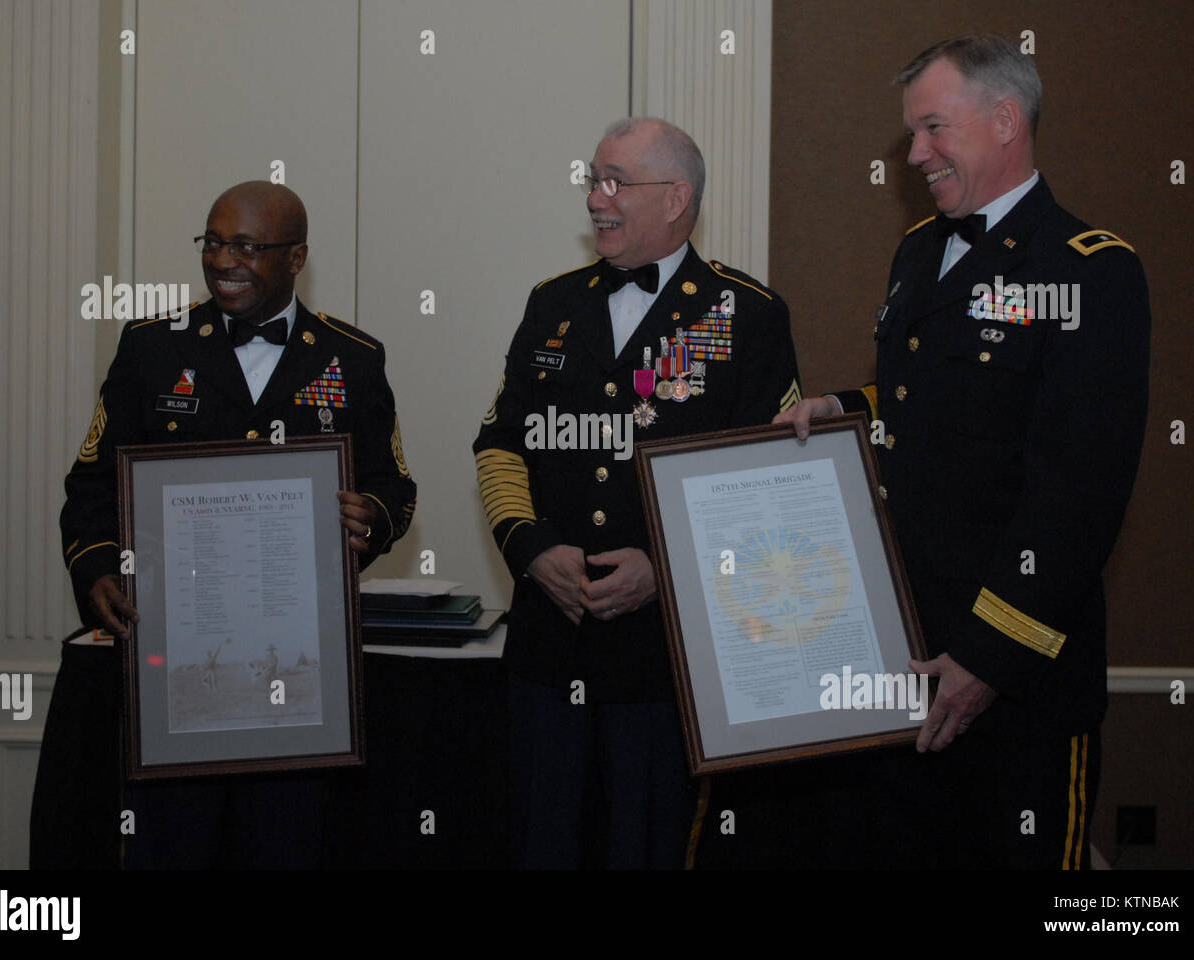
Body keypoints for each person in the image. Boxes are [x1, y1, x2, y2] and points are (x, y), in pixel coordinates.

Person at [757, 35, 1150, 869]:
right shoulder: (921, 252)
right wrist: (845, 410)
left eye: (933, 129)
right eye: (911, 134)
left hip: (1018, 680)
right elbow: (935, 406)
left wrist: (987, 656)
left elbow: (1079, 493)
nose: (915, 154)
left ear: (1005, 121)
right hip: (907, 662)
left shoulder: (1089, 272)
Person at [43, 181, 416, 868]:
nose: (223, 260)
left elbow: (393, 485)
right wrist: (97, 568)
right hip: (171, 670)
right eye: (213, 242)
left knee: (285, 845)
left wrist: (378, 518)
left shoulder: (353, 358)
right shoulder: (151, 348)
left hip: (297, 680)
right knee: (168, 847)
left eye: (246, 246)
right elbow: (90, 483)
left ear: (296, 256)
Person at [473, 117, 802, 868]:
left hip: (669, 669)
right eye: (593, 179)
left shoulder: (746, 315)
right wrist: (529, 548)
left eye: (617, 181)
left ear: (677, 197)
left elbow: (769, 485)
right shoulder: (551, 303)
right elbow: (499, 447)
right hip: (548, 658)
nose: (597, 198)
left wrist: (670, 567)